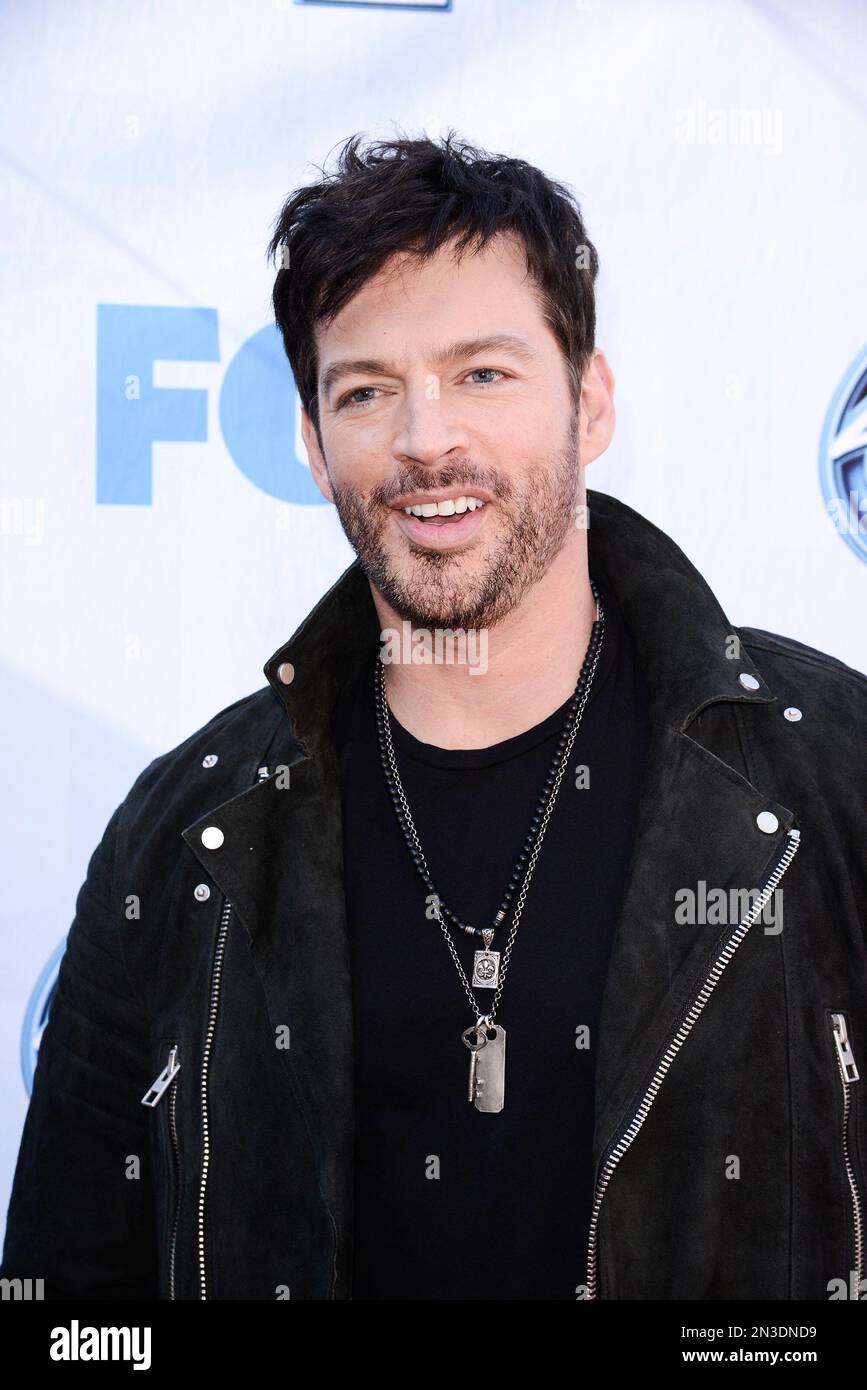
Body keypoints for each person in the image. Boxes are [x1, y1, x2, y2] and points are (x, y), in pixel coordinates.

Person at [2, 131, 866, 1301]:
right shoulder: (184, 837)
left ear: (590, 403)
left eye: (483, 374)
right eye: (366, 391)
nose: (426, 440)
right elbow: (67, 1298)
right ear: (313, 446)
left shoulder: (831, 770)